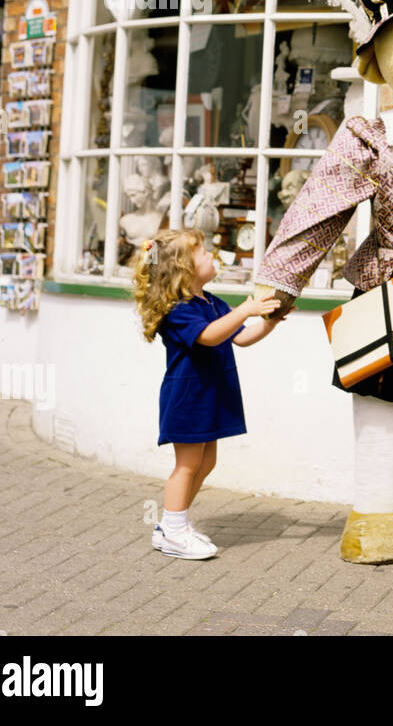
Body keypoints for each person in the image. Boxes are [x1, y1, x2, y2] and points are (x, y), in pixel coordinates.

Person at [132, 229, 281, 559]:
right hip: (189, 397)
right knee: (186, 465)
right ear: (182, 268)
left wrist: (271, 322)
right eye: (202, 253)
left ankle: (173, 525)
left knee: (206, 461)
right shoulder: (178, 310)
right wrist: (246, 310)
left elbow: (238, 338)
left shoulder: (211, 302)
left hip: (211, 394)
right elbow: (211, 336)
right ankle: (172, 530)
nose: (210, 255)